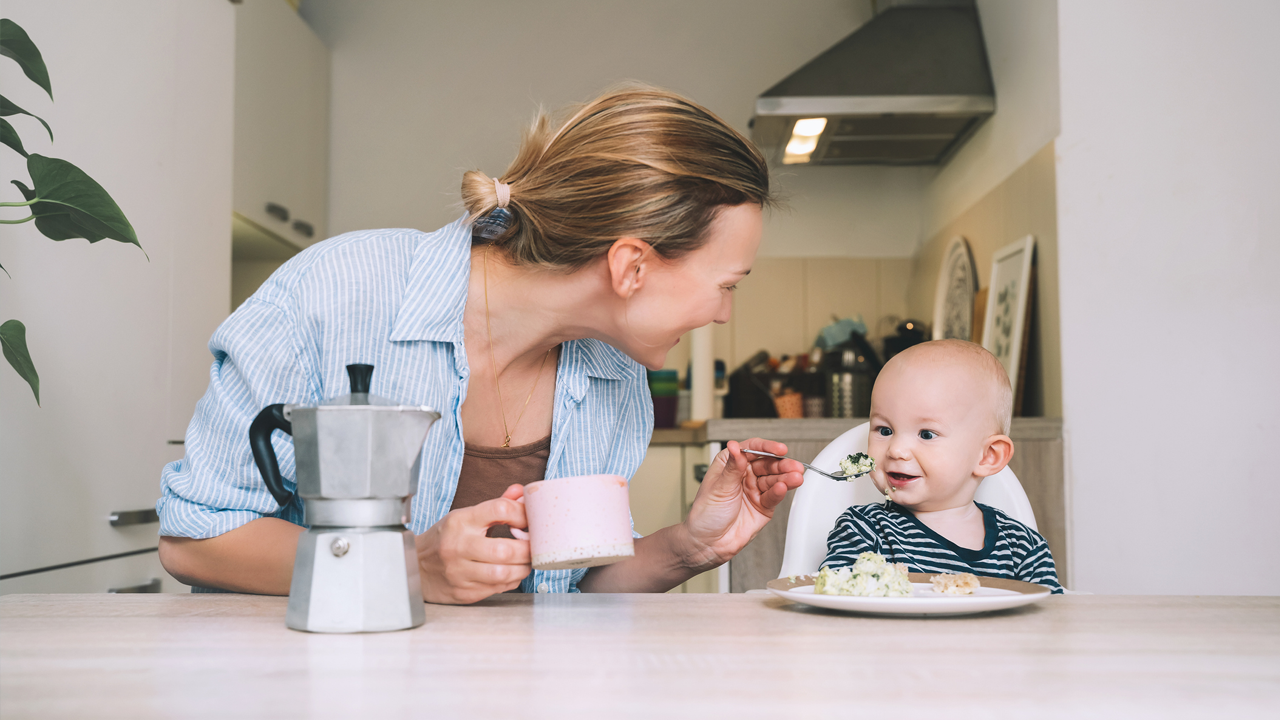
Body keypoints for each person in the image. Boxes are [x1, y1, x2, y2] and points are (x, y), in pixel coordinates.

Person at [156, 85, 805, 603]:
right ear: (631, 266)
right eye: (727, 285)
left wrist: (693, 545)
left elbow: (574, 580)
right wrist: (412, 566)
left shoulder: (615, 372)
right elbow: (195, 541)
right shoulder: (334, 294)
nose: (723, 313)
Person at [821, 339, 1062, 592]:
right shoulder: (862, 530)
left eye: (926, 434)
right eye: (885, 430)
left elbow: (1048, 620)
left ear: (988, 456)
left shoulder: (1023, 548)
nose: (896, 450)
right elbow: (836, 602)